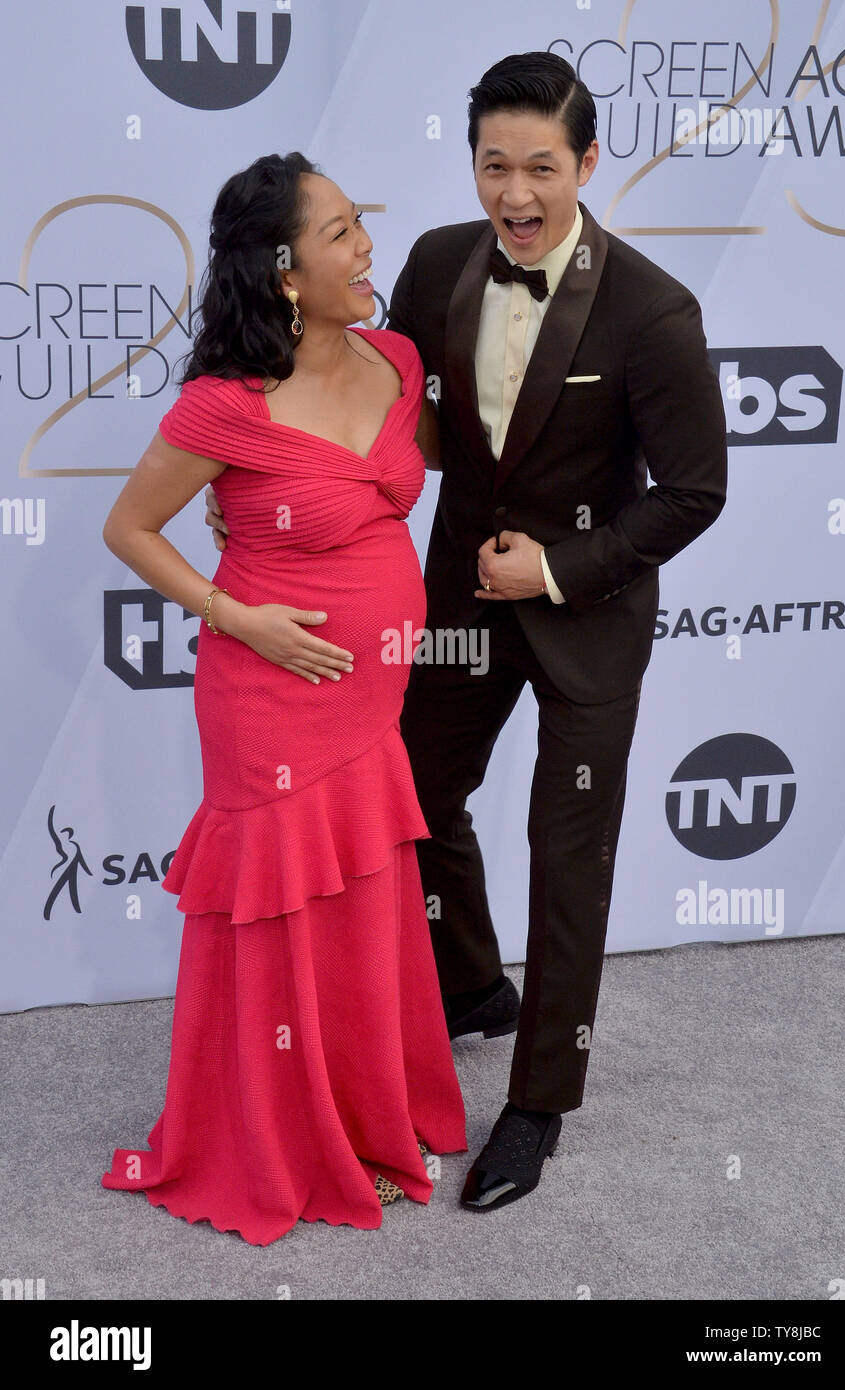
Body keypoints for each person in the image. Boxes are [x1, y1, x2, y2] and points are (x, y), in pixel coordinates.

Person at [208, 51, 728, 1214]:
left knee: (567, 851)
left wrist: (557, 562)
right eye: (495, 165)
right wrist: (249, 471)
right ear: (473, 167)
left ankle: (538, 1101)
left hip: (586, 617)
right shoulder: (439, 263)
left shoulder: (653, 308)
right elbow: (367, 398)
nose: (517, 193)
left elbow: (694, 491)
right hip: (451, 605)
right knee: (411, 797)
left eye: (542, 166)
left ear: (587, 164)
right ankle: (473, 984)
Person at [101, 152, 466, 1246]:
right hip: (267, 693)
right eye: (344, 233)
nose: (367, 250)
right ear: (284, 271)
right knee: (279, 908)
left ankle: (361, 1116)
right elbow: (128, 528)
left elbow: (418, 475)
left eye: (363, 226)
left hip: (370, 704)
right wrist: (233, 612)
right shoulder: (222, 407)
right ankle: (271, 1135)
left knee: (360, 904)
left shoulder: (398, 358)